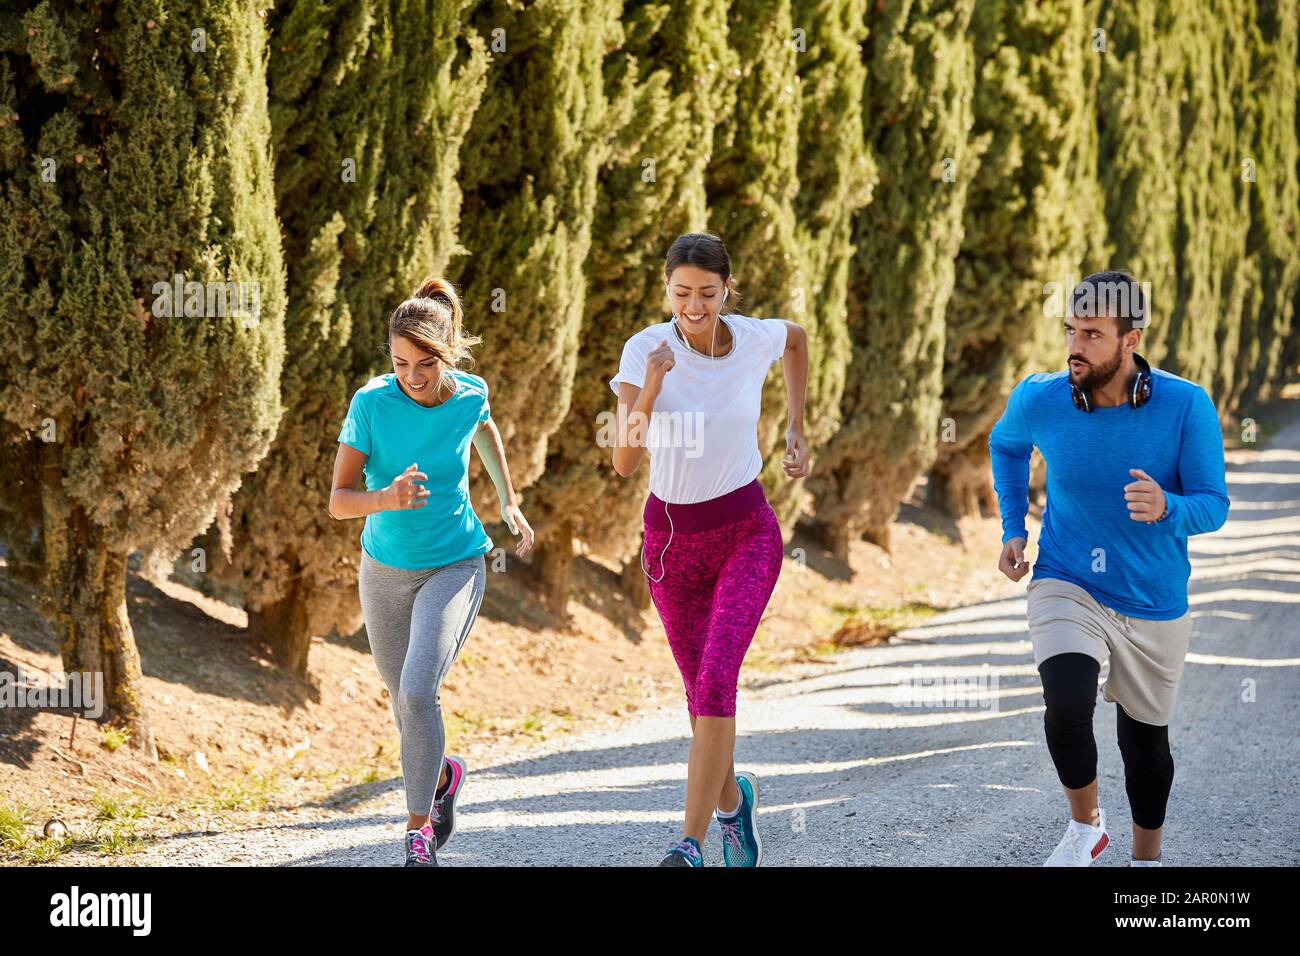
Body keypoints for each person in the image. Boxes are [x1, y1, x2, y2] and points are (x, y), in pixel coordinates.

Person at [989, 270, 1229, 867]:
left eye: (1092, 334)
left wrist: (1169, 507)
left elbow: (1214, 504)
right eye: (1070, 330)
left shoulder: (1185, 405)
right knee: (1065, 699)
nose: (1075, 346)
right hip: (1068, 578)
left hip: (1153, 598)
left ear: (1131, 339)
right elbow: (1007, 445)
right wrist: (1015, 527)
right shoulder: (1039, 397)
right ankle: (1085, 828)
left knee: (1144, 746)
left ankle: (1144, 865)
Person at [609, 232, 811, 866]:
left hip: (746, 532)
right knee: (701, 694)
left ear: (727, 289)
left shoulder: (752, 337)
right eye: (681, 292)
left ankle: (687, 844)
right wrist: (649, 386)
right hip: (670, 546)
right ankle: (733, 804)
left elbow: (798, 339)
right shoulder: (645, 348)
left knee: (719, 678)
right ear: (666, 289)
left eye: (706, 292)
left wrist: (797, 427)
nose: (694, 306)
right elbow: (621, 460)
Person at [329, 276, 534, 867]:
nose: (412, 376)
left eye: (425, 363)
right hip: (384, 571)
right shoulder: (371, 404)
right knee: (405, 704)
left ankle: (418, 830)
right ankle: (440, 772)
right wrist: (384, 499)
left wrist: (508, 500)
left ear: (447, 355)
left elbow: (485, 430)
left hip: (455, 562)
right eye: (399, 362)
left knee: (419, 691)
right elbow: (339, 499)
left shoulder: (470, 393)